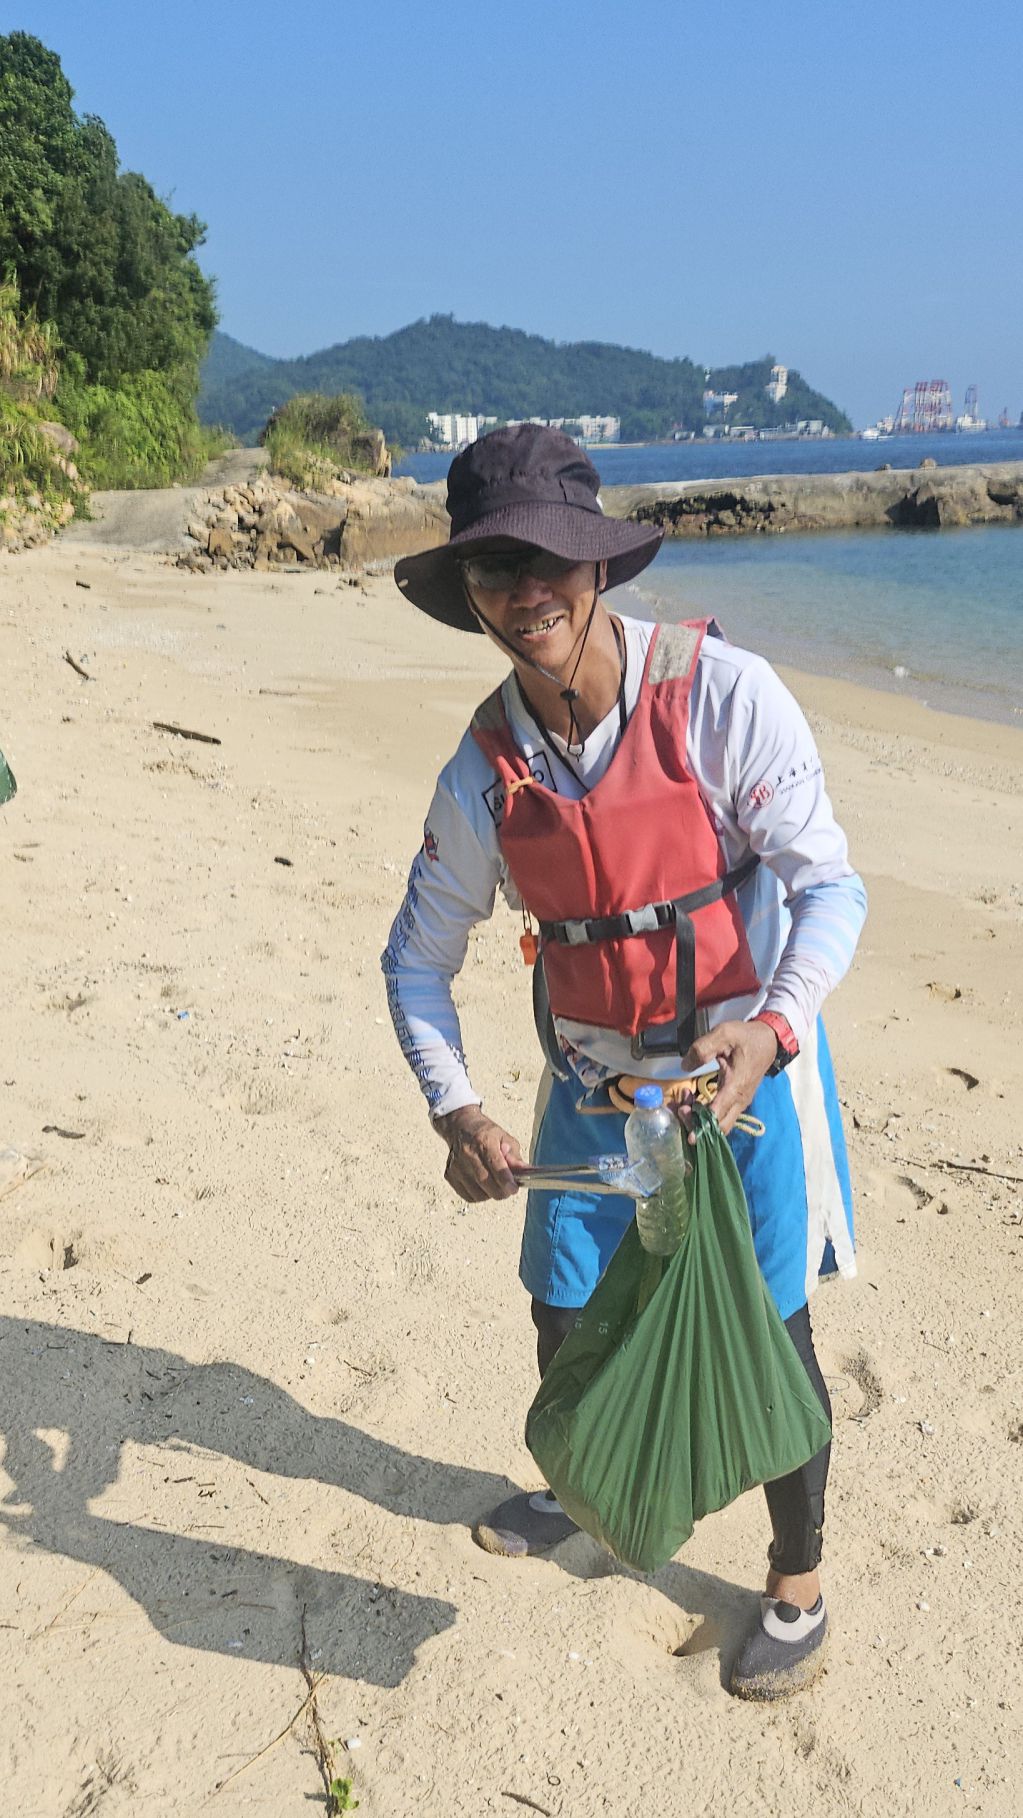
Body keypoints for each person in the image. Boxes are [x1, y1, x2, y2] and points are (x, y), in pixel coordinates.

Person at [382, 424, 867, 1701]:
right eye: (493, 569)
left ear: (598, 564)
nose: (525, 592)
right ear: (468, 591)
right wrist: (459, 1112)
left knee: (771, 1333)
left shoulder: (722, 699)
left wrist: (770, 1031)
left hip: (742, 1091)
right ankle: (592, 1489)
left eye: (548, 559)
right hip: (595, 1089)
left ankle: (798, 1585)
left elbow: (832, 890)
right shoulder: (483, 773)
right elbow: (416, 960)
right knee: (566, 1309)